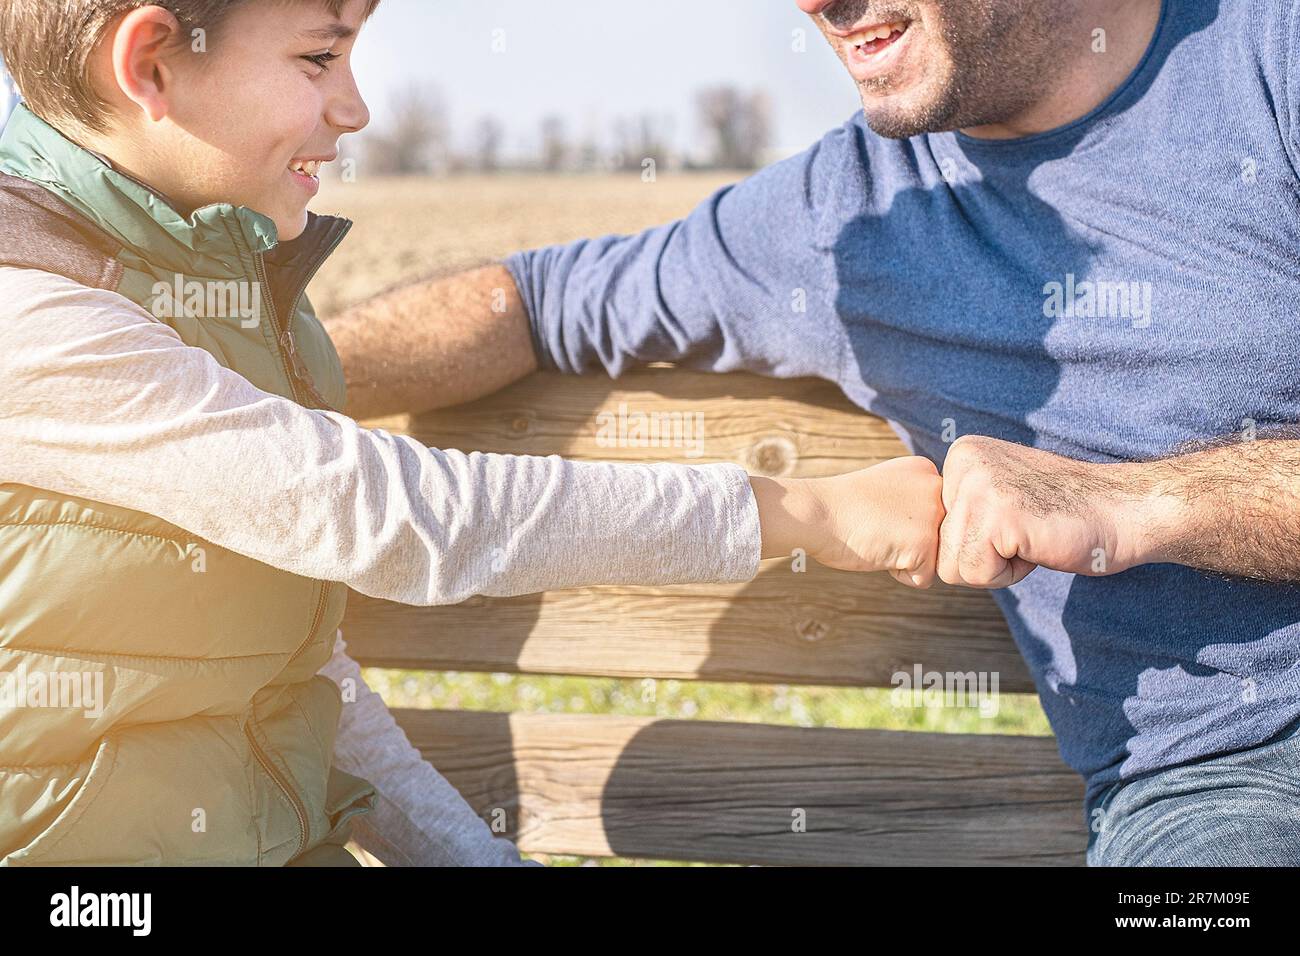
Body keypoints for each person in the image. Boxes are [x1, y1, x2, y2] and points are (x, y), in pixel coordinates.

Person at [325, 0, 1300, 865]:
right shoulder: (841, 221)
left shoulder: (1267, 59)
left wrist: (1131, 502)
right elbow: (529, 306)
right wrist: (213, 379)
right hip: (1228, 783)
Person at [0, 0, 945, 866]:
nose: (355, 108)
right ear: (151, 64)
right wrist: (807, 510)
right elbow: (390, 514)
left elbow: (302, 677)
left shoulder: (231, 297)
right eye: (318, 58)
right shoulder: (31, 312)